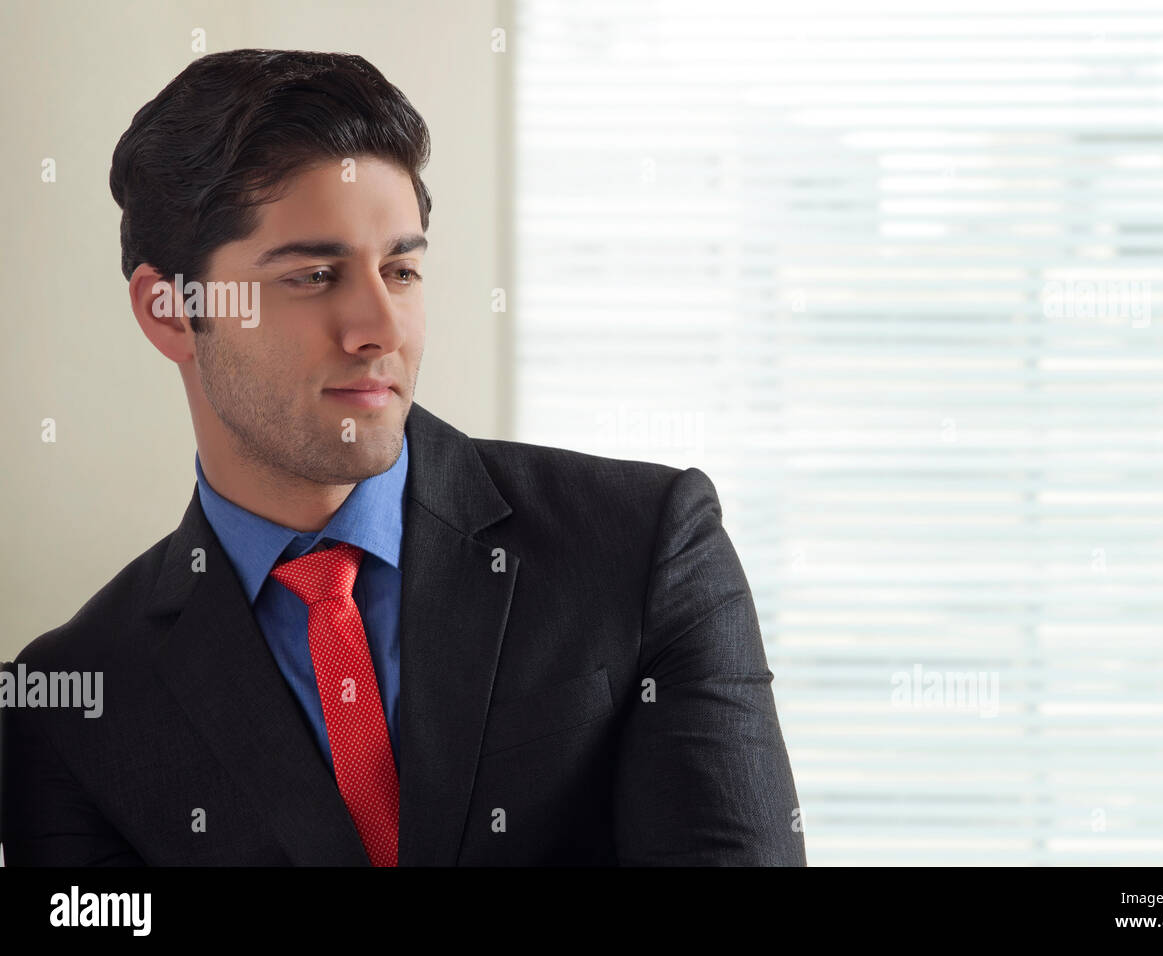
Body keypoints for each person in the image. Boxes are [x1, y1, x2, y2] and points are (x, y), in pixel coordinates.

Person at [0, 49, 805, 866]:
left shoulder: (645, 548)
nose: (379, 326)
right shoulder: (74, 704)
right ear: (169, 312)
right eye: (315, 275)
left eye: (402, 269)